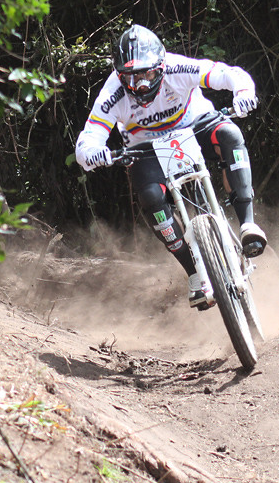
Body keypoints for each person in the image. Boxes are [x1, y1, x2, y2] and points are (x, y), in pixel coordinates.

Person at [75, 24, 267, 309]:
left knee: (230, 135)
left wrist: (242, 93)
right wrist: (95, 155)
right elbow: (86, 141)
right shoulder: (113, 92)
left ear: (161, 66)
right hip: (146, 147)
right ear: (119, 74)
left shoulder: (178, 68)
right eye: (131, 77)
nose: (139, 84)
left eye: (147, 74)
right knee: (151, 197)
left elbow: (228, 73)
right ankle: (193, 272)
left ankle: (248, 223)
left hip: (195, 124)